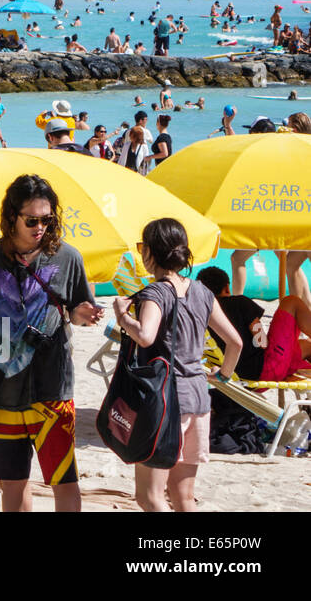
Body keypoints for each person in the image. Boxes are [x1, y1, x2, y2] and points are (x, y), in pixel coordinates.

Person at [0, 174, 104, 512]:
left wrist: (83, 315)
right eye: (32, 220)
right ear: (12, 216)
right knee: (11, 483)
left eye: (47, 219)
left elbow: (78, 311)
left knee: (62, 479)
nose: (40, 226)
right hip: (4, 388)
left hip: (52, 387)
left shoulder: (68, 257)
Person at [111, 218, 241, 512]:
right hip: (198, 395)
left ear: (152, 252)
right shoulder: (202, 291)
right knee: (182, 496)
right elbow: (235, 343)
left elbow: (145, 336)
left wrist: (123, 317)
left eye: (142, 247)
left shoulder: (155, 293)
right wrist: (223, 376)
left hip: (165, 402)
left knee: (149, 496)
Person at [198, 267, 311, 383]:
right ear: (227, 288)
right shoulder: (240, 303)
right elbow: (262, 342)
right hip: (266, 369)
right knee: (291, 301)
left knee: (306, 345)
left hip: (239, 376)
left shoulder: (201, 315)